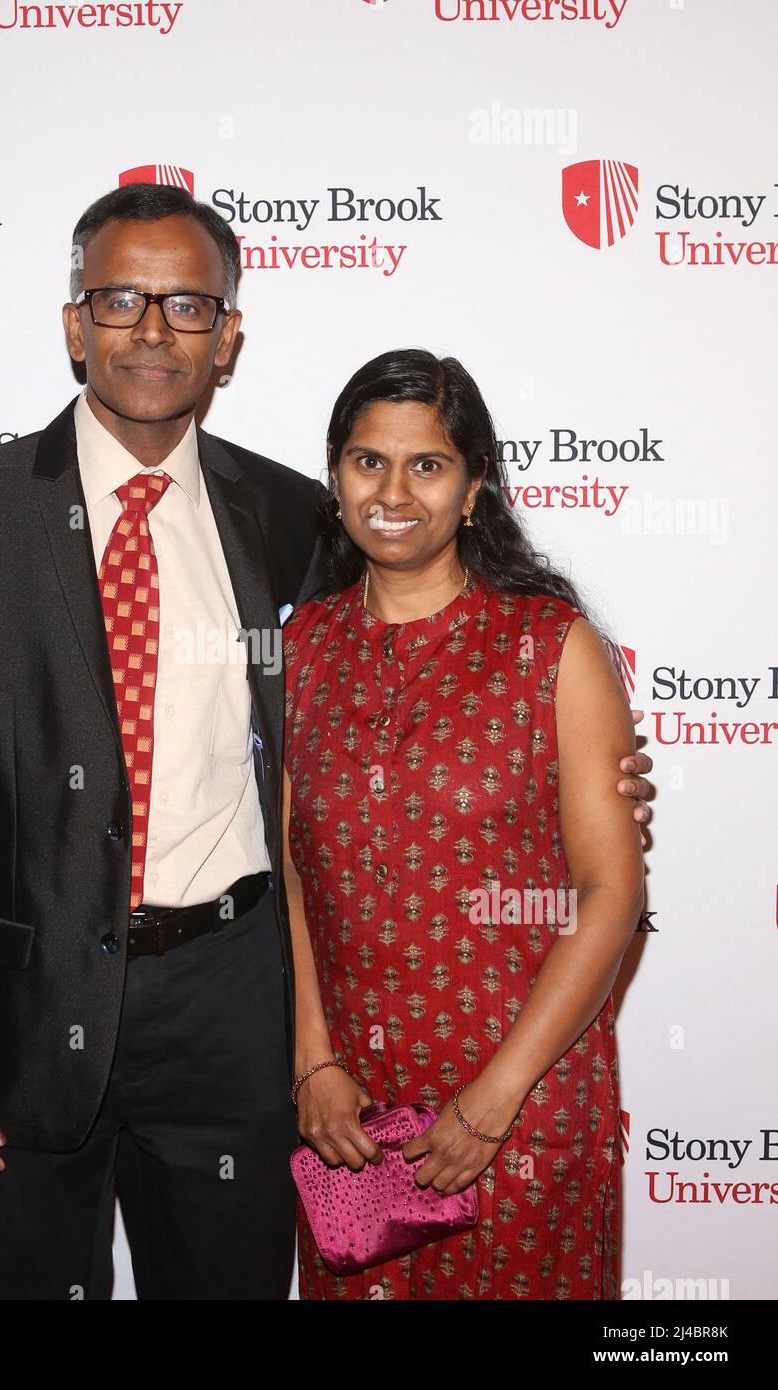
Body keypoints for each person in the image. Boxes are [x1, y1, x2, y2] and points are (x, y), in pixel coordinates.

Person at [0, 184, 654, 1300]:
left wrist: (591, 767)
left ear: (227, 335)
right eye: (120, 298)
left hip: (232, 1007)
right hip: (22, 1010)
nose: (151, 329)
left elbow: (410, 690)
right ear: (72, 321)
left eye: (186, 304)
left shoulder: (287, 519)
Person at [282, 348, 645, 1300]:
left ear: (475, 487)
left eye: (428, 465)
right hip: (353, 1116)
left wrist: (496, 1098)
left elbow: (611, 892)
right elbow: (291, 872)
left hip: (520, 1097)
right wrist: (312, 1060)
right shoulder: (299, 650)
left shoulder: (550, 646)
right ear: (334, 477)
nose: (394, 490)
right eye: (368, 461)